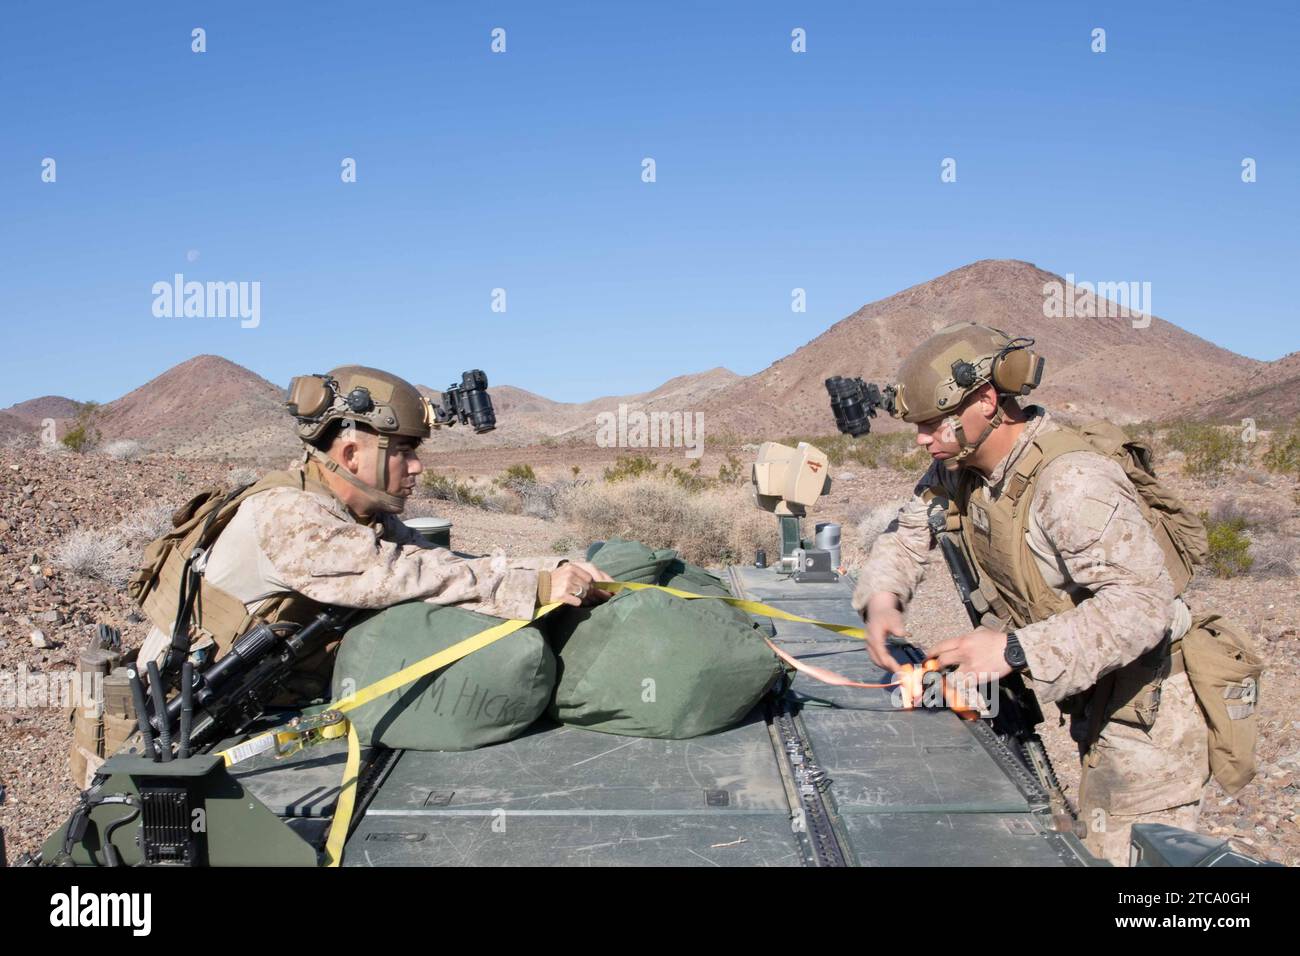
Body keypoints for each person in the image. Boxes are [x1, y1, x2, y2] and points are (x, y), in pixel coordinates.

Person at [851, 323, 1210, 865]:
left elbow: (1142, 606)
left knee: (1124, 862)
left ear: (988, 401)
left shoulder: (1072, 482)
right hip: (1097, 686)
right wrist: (883, 600)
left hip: (1151, 708)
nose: (922, 439)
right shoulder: (959, 466)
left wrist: (1012, 651)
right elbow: (908, 533)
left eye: (931, 425)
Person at [135, 365, 608, 699]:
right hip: (176, 726)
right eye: (403, 450)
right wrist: (539, 586)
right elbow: (404, 576)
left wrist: (552, 566)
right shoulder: (291, 516)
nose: (417, 466)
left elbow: (437, 563)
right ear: (350, 456)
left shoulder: (357, 514)